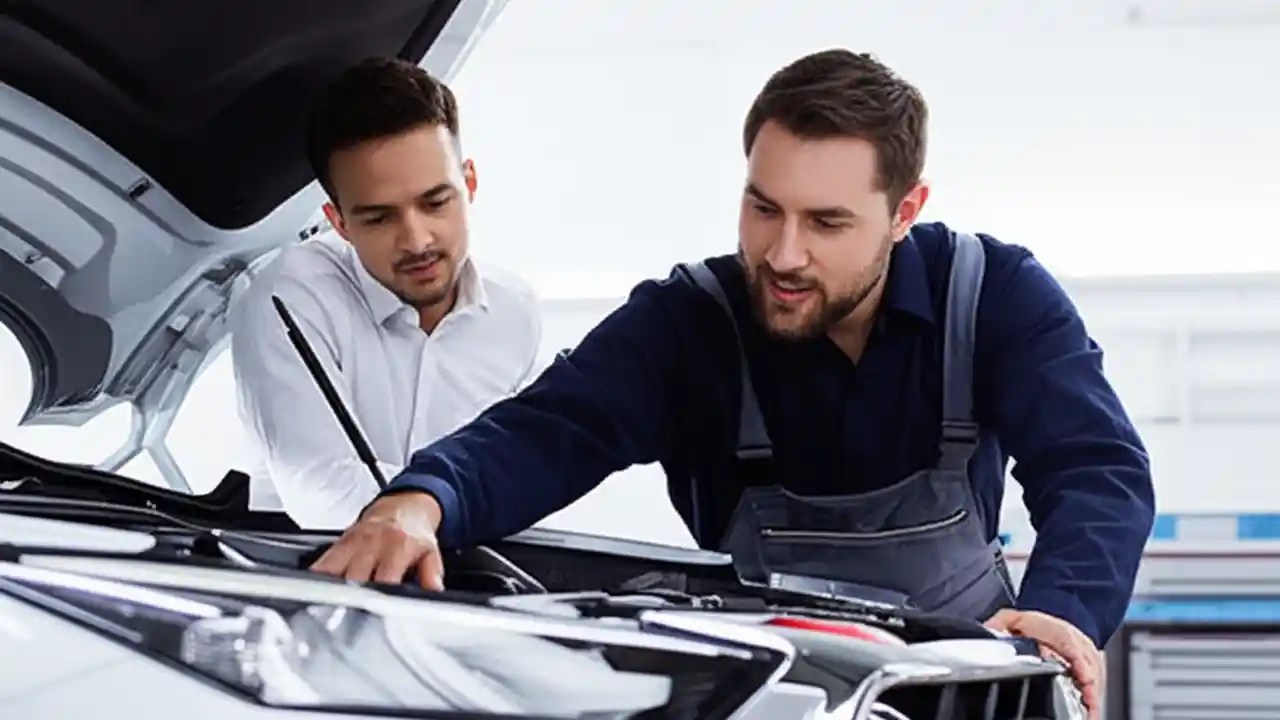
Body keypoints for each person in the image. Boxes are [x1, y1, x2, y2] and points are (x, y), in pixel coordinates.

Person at [310, 49, 1154, 714]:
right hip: (781, 697)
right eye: (763, 208)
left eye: (826, 222)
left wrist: (1063, 614)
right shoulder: (693, 322)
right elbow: (554, 426)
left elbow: (1095, 470)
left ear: (905, 211)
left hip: (968, 694)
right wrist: (419, 501)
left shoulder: (995, 295)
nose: (783, 255)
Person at [229, 57, 541, 530]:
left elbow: (522, 475)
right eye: (379, 218)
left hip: (471, 587)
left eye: (436, 203)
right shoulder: (287, 298)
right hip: (307, 580)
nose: (417, 241)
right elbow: (326, 495)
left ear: (470, 183)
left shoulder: (515, 312)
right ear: (339, 223)